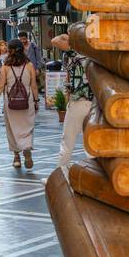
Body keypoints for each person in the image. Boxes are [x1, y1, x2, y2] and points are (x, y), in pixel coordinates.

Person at [50, 32, 95, 170]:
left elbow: (55, 40)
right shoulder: (96, 54)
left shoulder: (74, 53)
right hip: (95, 103)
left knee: (67, 141)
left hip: (78, 102)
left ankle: (61, 172)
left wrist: (71, 36)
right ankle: (95, 173)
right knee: (91, 141)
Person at [0, 38, 38, 170]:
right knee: (27, 127)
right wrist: (36, 101)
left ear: (9, 51)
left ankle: (17, 158)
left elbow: (1, 86)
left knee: (12, 129)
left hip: (11, 103)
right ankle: (27, 148)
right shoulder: (29, 65)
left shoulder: (6, 67)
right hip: (27, 101)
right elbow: (34, 86)